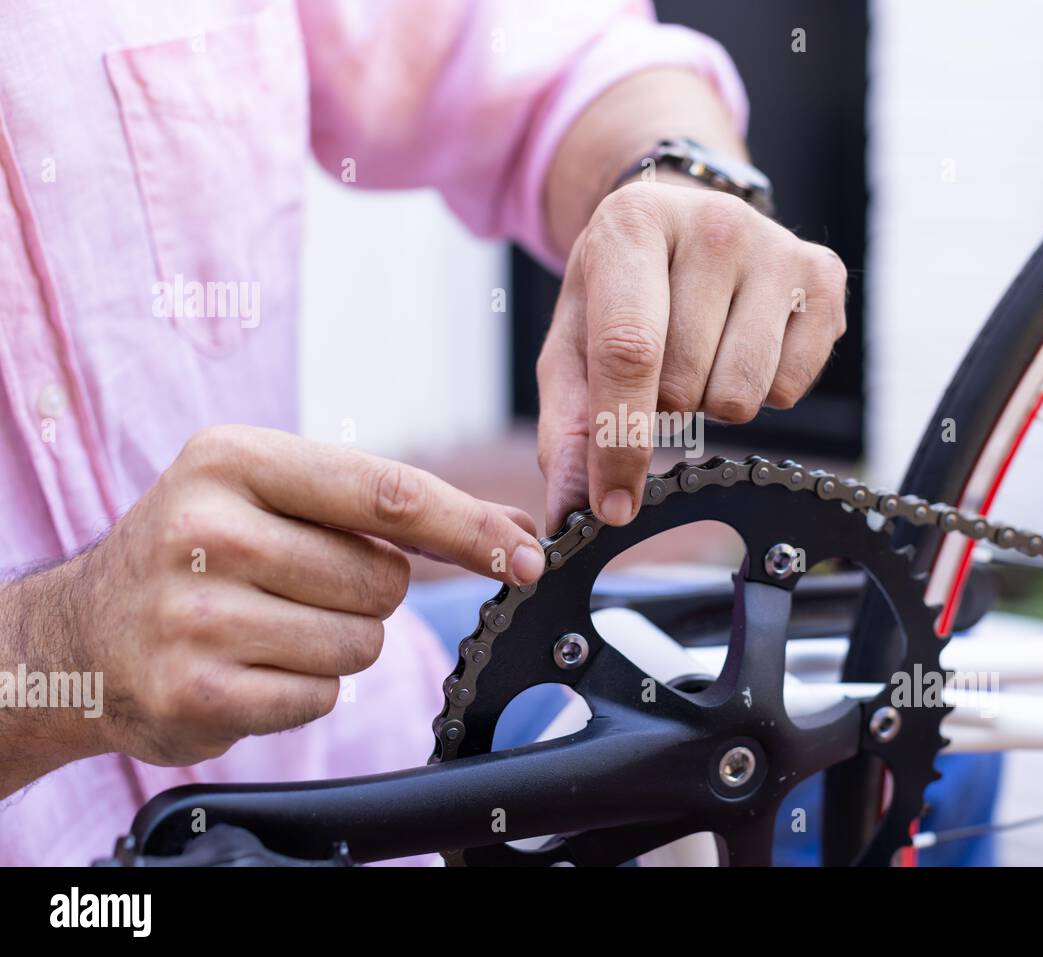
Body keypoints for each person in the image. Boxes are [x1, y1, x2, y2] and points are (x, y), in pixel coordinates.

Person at [0, 0, 847, 864]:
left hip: (375, 752)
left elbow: (543, 53)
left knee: (924, 768)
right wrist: (55, 656)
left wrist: (677, 180)